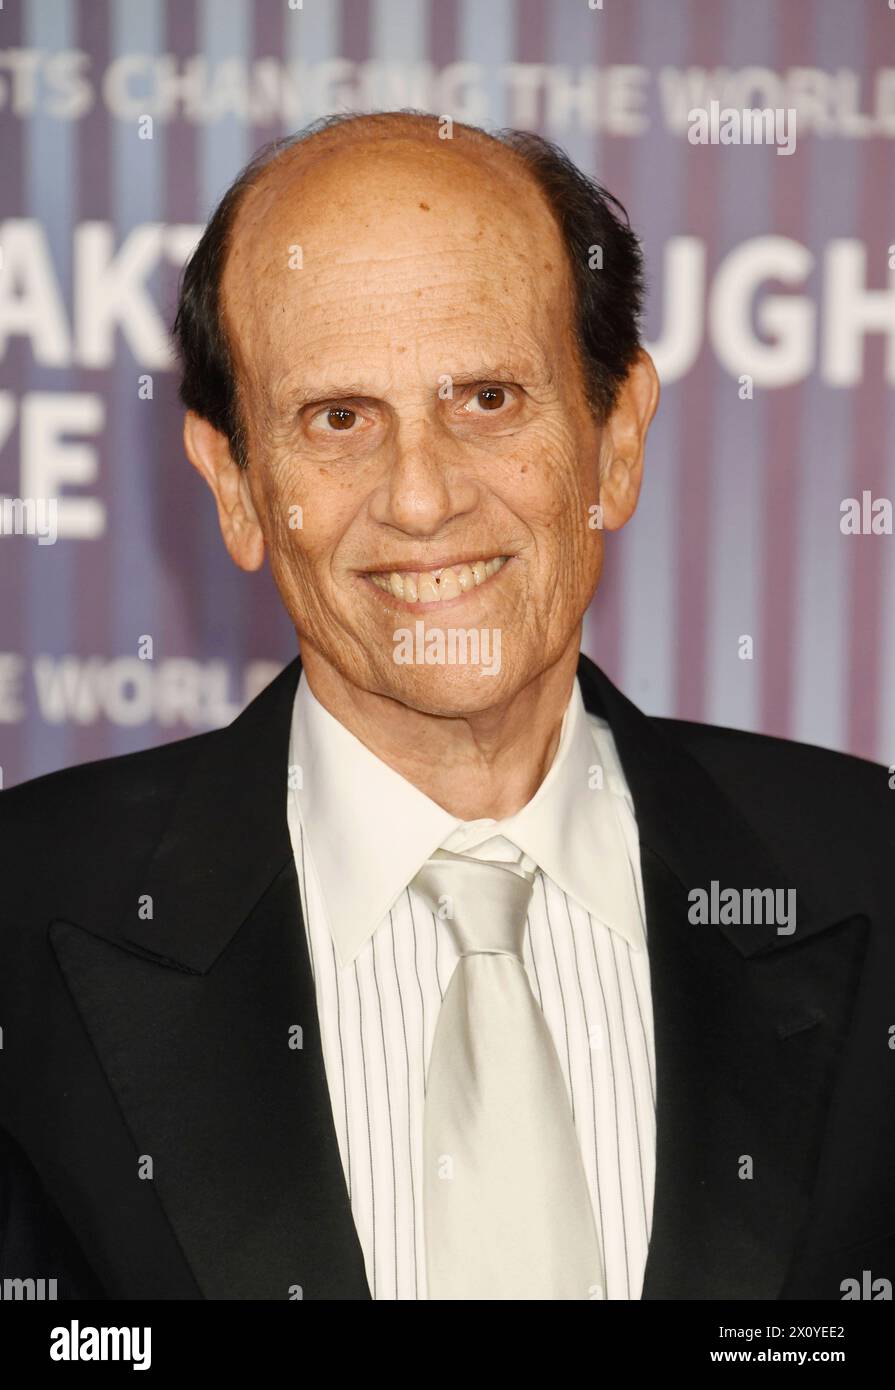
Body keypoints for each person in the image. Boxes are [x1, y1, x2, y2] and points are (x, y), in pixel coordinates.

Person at [1, 111, 892, 1302]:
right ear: (236, 484)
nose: (420, 498)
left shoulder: (870, 874)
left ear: (615, 438)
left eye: (485, 397)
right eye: (338, 419)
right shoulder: (21, 921)